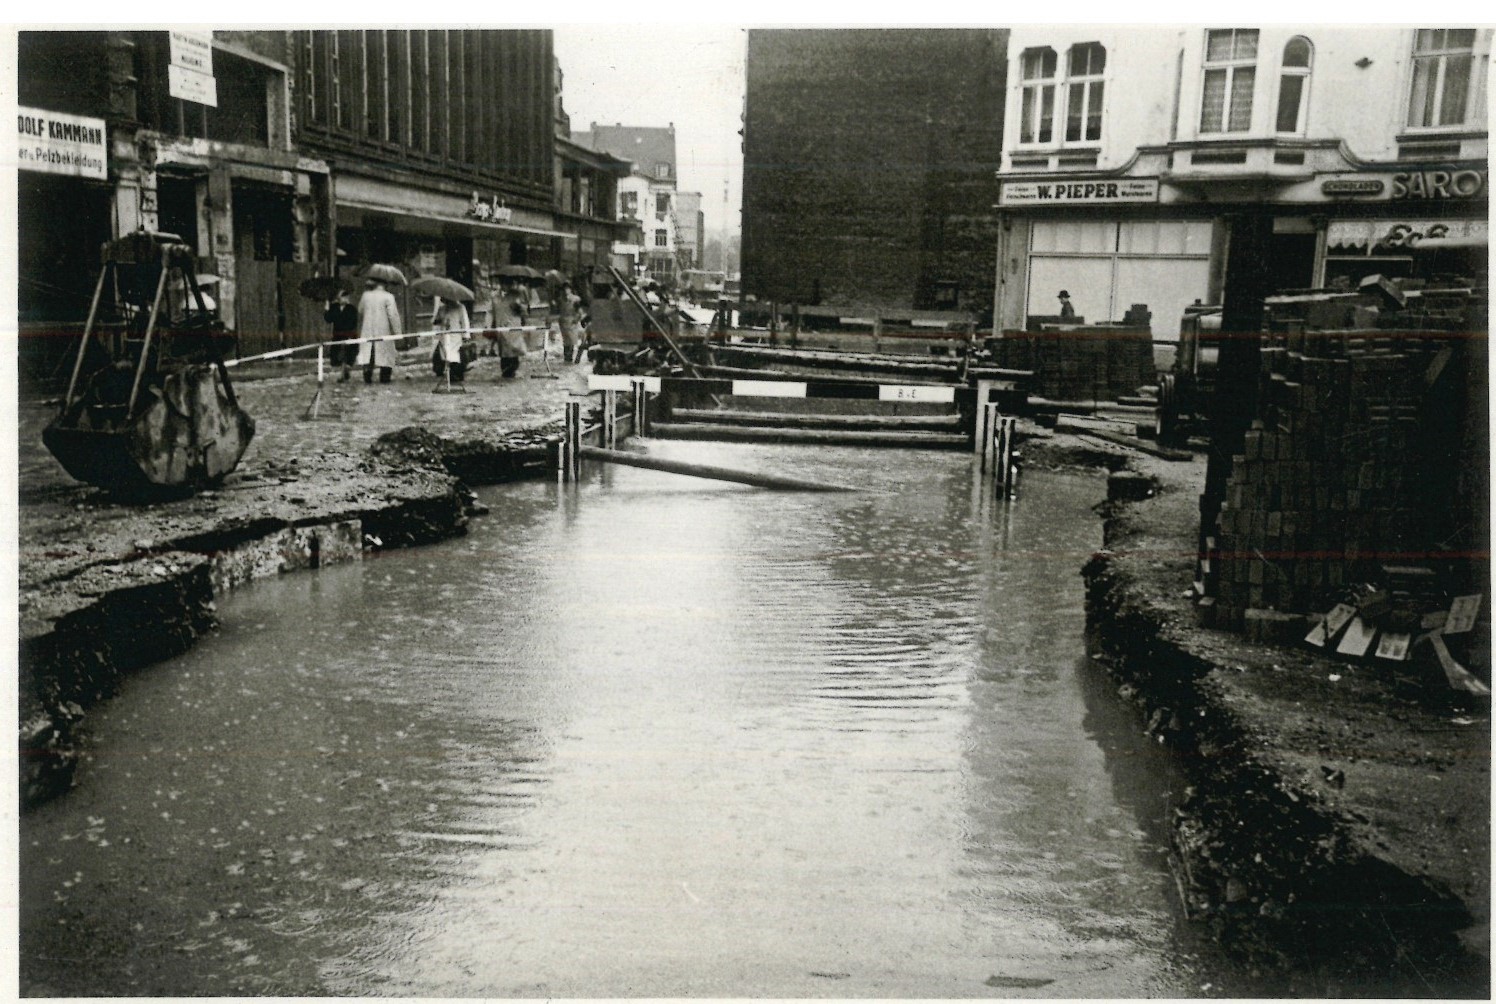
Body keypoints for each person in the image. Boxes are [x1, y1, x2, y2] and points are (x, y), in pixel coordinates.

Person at [356, 277, 402, 384]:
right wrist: (397, 332)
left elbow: (360, 310)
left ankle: (367, 375)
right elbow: (393, 315)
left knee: (369, 352)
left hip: (368, 328)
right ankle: (385, 377)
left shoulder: (366, 296)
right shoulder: (388, 297)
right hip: (383, 328)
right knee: (385, 352)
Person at [490, 279, 528, 378]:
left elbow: (524, 312)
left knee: (513, 349)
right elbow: (492, 311)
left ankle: (513, 369)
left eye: (509, 283)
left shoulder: (516, 295)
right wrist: (491, 325)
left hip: (513, 326)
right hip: (501, 326)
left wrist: (519, 308)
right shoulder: (494, 296)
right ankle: (506, 370)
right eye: (505, 283)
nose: (507, 286)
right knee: (503, 350)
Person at [430, 296, 471, 383]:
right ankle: (447, 372)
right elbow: (435, 321)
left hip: (456, 335)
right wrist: (439, 321)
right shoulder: (442, 309)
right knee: (445, 354)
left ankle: (456, 373)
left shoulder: (460, 308)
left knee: (455, 355)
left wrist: (466, 335)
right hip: (444, 336)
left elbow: (465, 322)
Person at [324, 289, 358, 382]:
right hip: (337, 336)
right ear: (338, 298)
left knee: (347, 356)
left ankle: (343, 374)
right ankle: (343, 373)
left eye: (346, 296)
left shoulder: (351, 309)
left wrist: (350, 335)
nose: (345, 298)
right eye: (343, 296)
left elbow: (353, 323)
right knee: (337, 357)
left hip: (349, 335)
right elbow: (328, 319)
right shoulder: (334, 307)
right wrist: (326, 308)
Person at [558, 280, 584, 363]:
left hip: (572, 321)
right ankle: (567, 358)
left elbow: (579, 311)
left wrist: (576, 319)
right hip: (563, 322)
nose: (566, 290)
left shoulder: (576, 299)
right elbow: (558, 311)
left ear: (570, 289)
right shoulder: (560, 299)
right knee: (566, 340)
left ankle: (570, 357)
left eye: (567, 288)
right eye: (564, 289)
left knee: (572, 340)